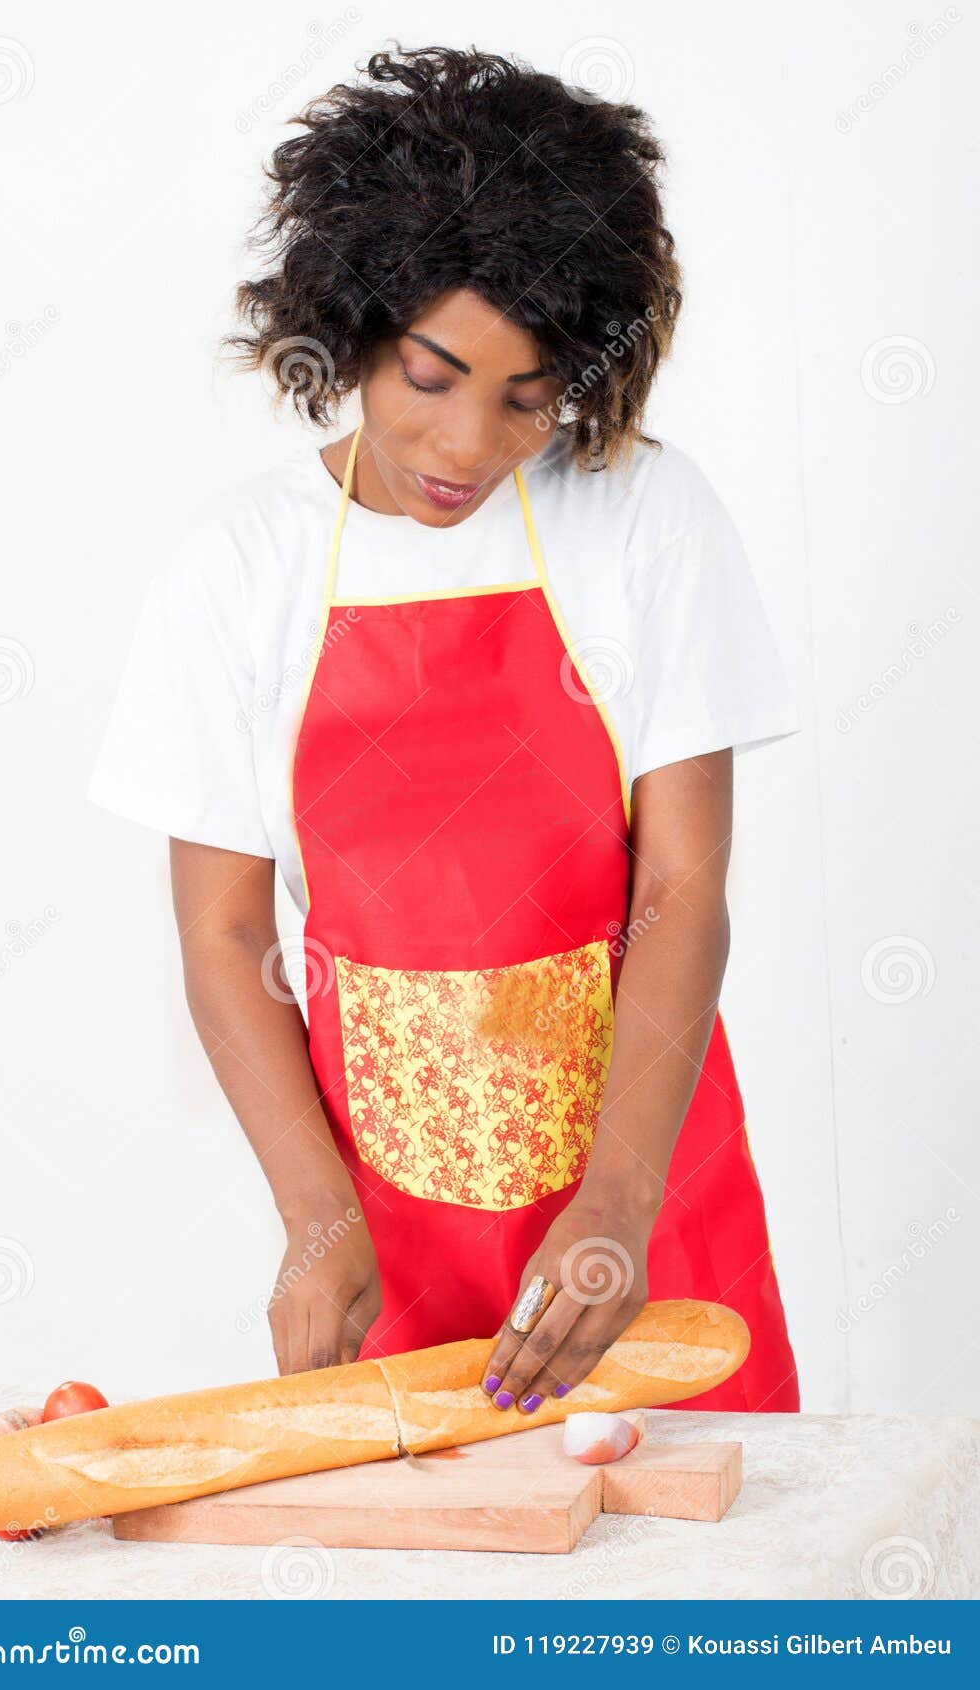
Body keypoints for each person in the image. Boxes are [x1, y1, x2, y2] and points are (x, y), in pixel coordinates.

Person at [90, 45, 801, 1414]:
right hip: (386, 1243)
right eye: (429, 376)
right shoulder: (236, 567)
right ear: (350, 321)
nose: (467, 444)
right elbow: (225, 935)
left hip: (650, 1222)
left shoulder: (648, 518)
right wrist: (314, 1214)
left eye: (527, 399)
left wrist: (617, 1205)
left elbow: (685, 888)